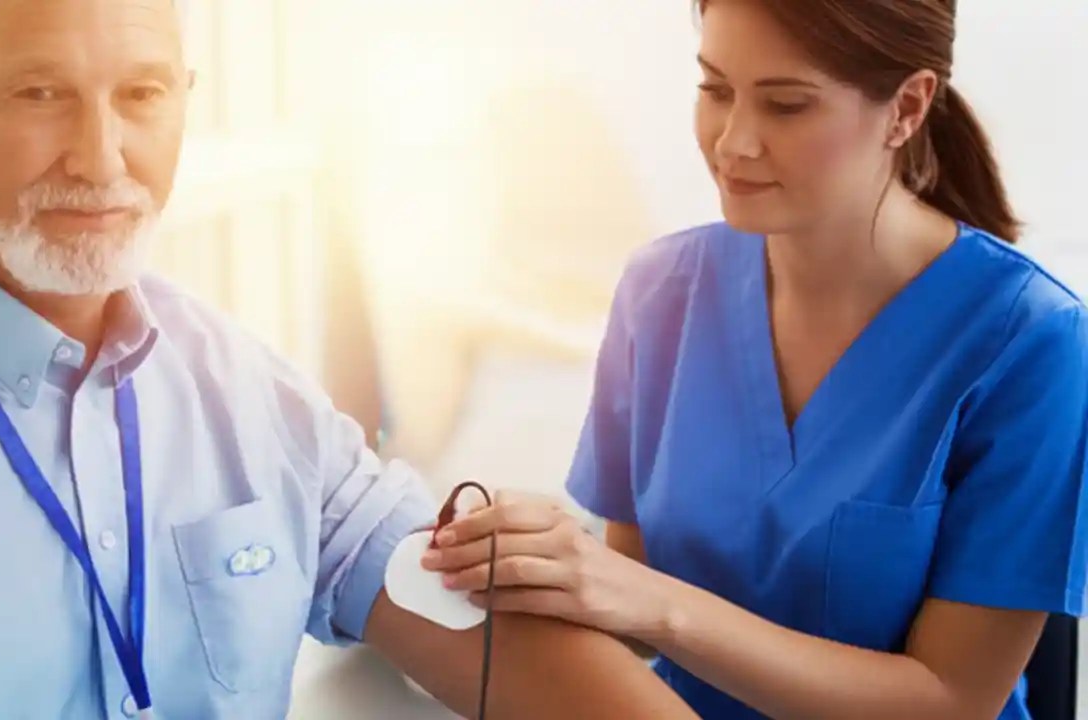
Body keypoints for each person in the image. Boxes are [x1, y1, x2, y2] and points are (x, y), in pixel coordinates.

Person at [0, 1, 700, 719]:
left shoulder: (255, 397)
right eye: (40, 92)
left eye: (143, 93)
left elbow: (485, 638)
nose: (101, 156)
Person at [423, 1, 1088, 719]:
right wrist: (544, 566)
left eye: (787, 106)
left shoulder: (1031, 341)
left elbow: (951, 700)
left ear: (906, 107)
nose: (732, 141)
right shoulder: (659, 293)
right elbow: (630, 620)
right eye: (714, 90)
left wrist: (658, 606)